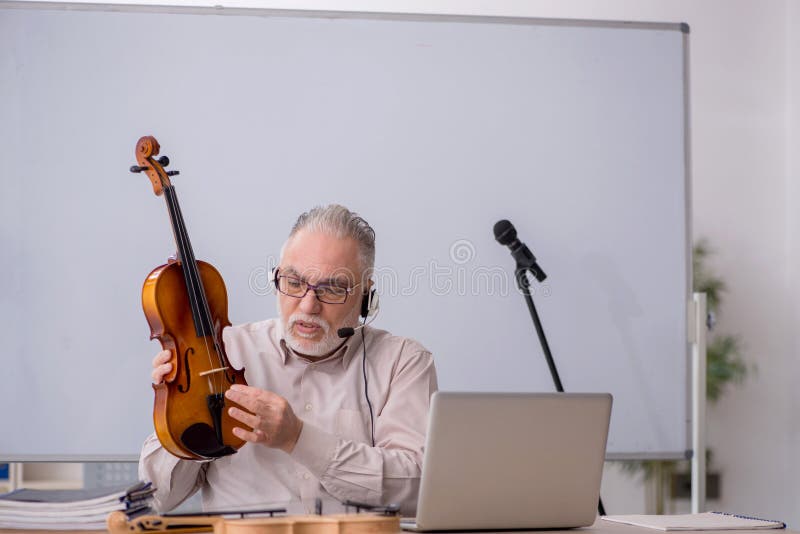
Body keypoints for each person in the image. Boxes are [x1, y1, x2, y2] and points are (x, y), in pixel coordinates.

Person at [138, 204, 438, 515]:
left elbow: (417, 491)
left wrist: (298, 438)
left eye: (332, 289)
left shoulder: (404, 362)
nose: (308, 306)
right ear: (276, 278)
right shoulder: (220, 355)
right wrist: (177, 417)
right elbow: (155, 499)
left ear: (366, 295)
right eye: (294, 283)